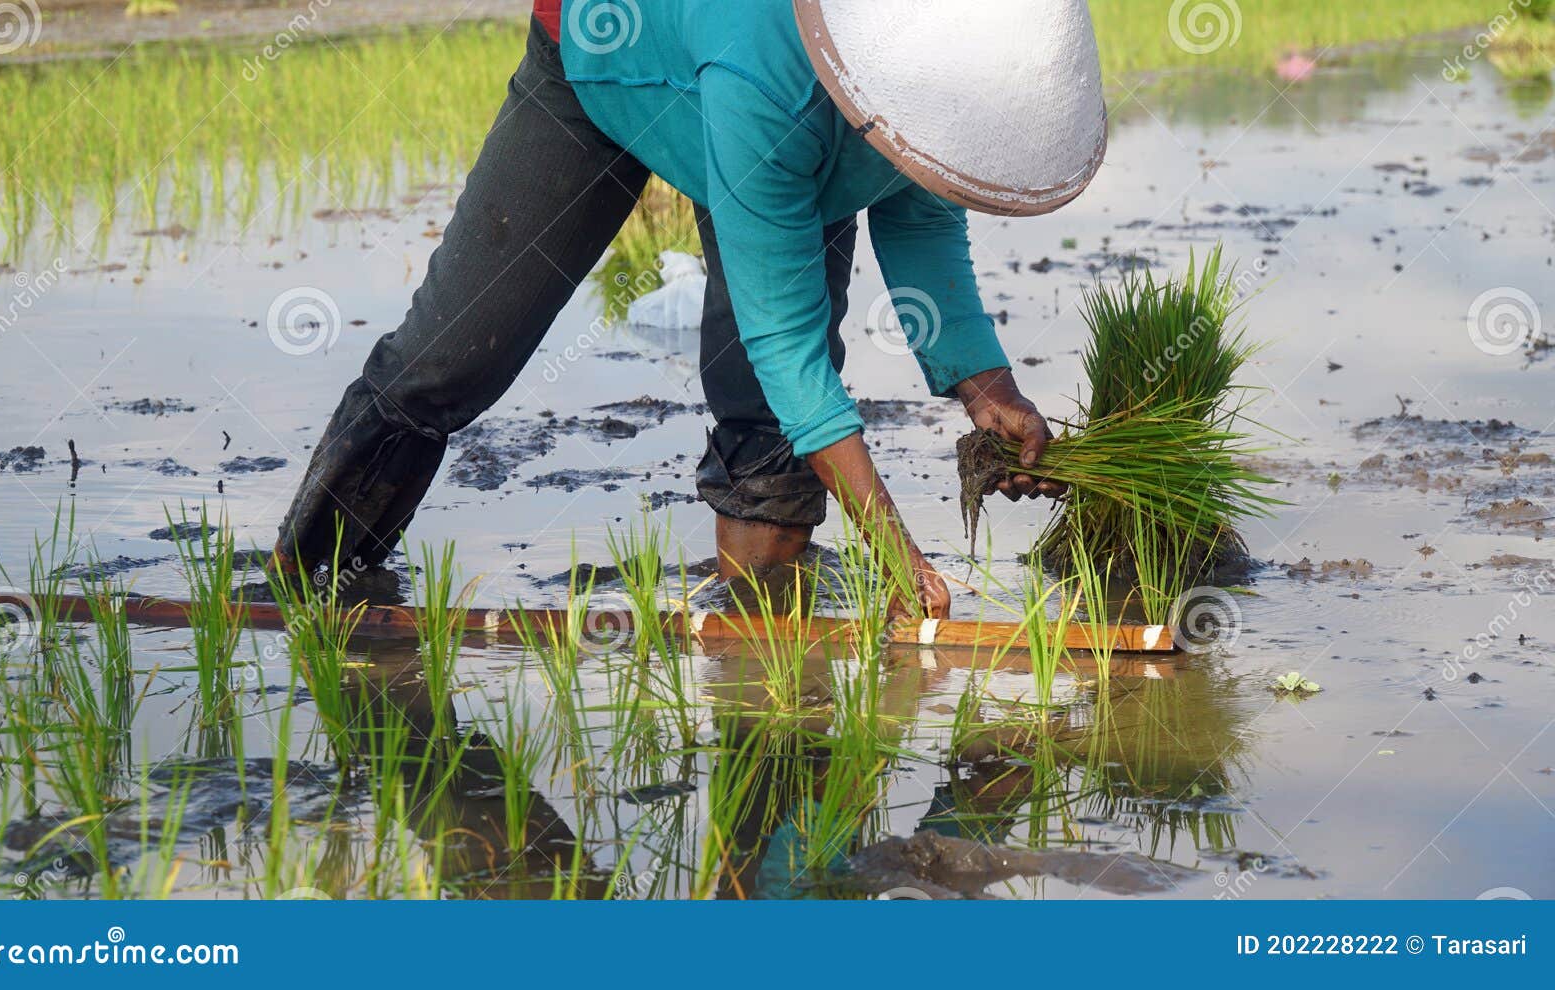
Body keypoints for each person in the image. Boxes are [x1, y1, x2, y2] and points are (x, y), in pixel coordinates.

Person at [274, 0, 1106, 616]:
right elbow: (784, 342)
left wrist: (987, 387)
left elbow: (918, 213)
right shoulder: (768, 78)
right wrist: (895, 550)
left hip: (780, 112)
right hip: (609, 60)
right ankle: (310, 586)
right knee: (452, 357)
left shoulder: (923, 63)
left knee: (772, 446)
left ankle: (767, 727)